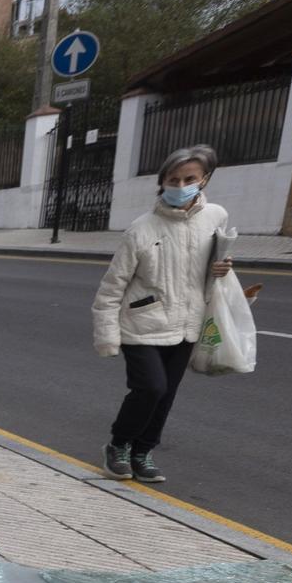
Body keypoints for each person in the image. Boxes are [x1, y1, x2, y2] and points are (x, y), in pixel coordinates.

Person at [91, 144, 232, 484]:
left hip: (186, 324)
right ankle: (119, 445)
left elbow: (212, 270)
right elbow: (111, 287)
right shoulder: (141, 230)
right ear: (162, 182)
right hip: (141, 324)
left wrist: (221, 270)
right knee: (151, 388)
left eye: (189, 178)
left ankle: (143, 451)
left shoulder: (216, 218)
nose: (180, 185)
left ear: (204, 180)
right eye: (173, 179)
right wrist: (107, 336)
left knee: (166, 394)